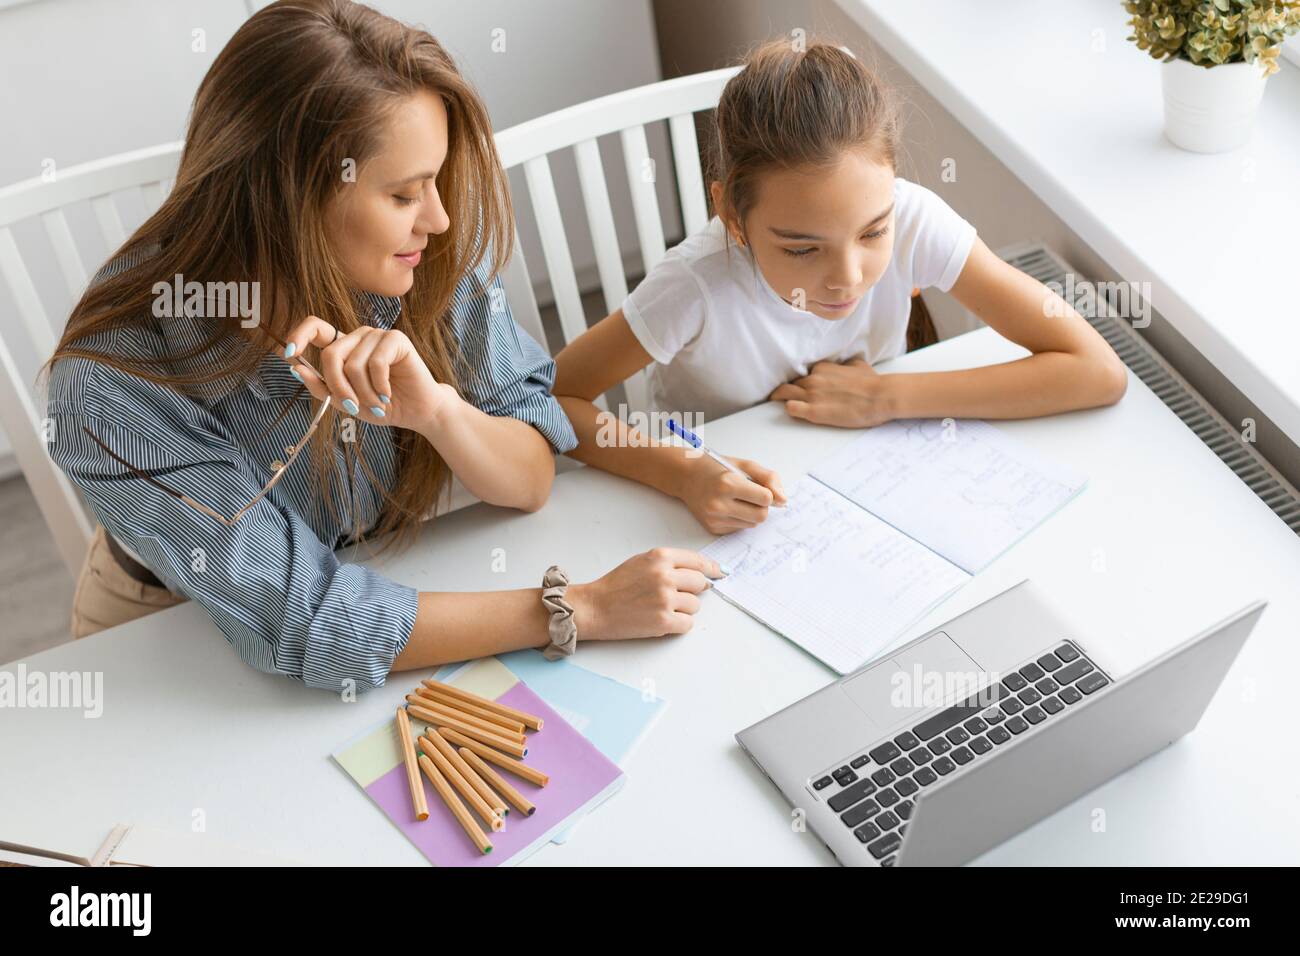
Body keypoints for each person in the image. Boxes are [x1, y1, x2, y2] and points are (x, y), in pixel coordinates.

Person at [42, 0, 722, 693]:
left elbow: (533, 471)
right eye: (403, 194)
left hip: (374, 575)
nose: (440, 216)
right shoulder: (104, 389)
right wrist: (581, 607)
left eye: (434, 178)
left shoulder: (408, 260)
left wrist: (439, 414)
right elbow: (307, 621)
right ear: (288, 198)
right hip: (169, 629)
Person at [553, 40, 1127, 535]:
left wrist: (886, 399)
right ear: (731, 214)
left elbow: (1096, 371)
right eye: (802, 249)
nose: (848, 278)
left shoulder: (916, 219)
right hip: (715, 502)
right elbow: (553, 401)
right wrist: (681, 473)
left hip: (866, 478)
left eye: (874, 231)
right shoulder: (693, 286)